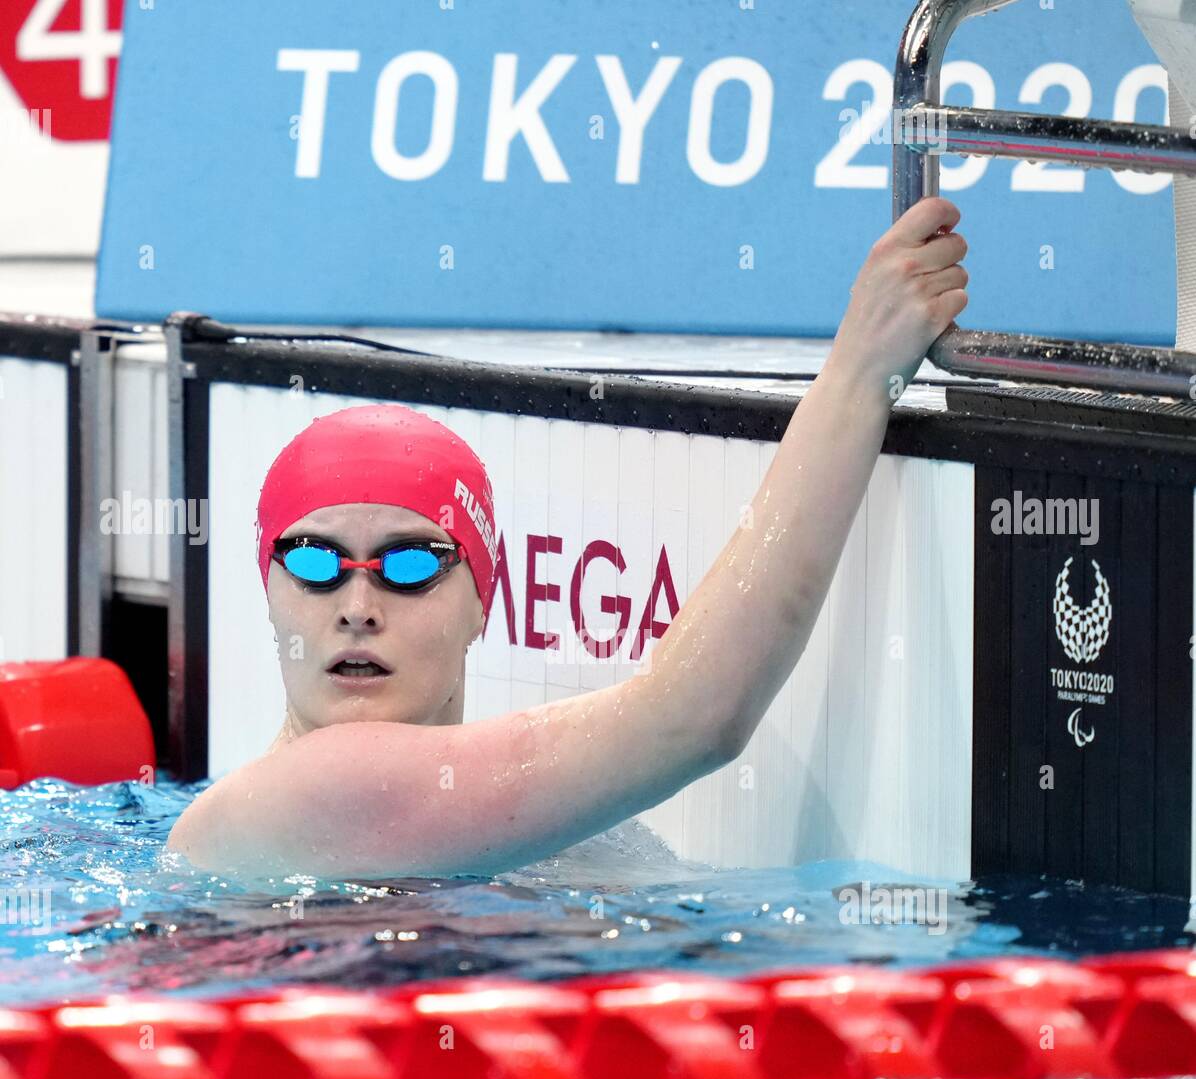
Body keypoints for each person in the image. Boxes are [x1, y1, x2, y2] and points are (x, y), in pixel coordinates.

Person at [168, 196, 968, 881]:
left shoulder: (557, 835)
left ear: (484, 600)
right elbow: (693, 719)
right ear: (267, 590)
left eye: (409, 565)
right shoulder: (296, 796)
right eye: (314, 562)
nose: (356, 605)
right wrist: (862, 370)